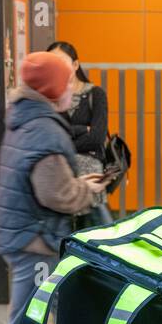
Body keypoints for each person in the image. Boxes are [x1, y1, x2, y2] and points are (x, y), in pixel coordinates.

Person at [0, 50, 108, 324]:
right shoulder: (45, 128)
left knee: (66, 319)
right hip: (36, 240)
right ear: (55, 88)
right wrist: (87, 189)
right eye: (68, 81)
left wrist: (74, 182)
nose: (73, 87)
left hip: (26, 235)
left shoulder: (28, 117)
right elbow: (55, 194)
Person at [47, 40, 112, 228]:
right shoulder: (49, 97)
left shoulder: (95, 94)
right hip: (59, 168)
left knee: (95, 229)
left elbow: (97, 138)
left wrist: (63, 142)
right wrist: (82, 129)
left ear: (75, 65)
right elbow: (50, 138)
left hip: (88, 164)